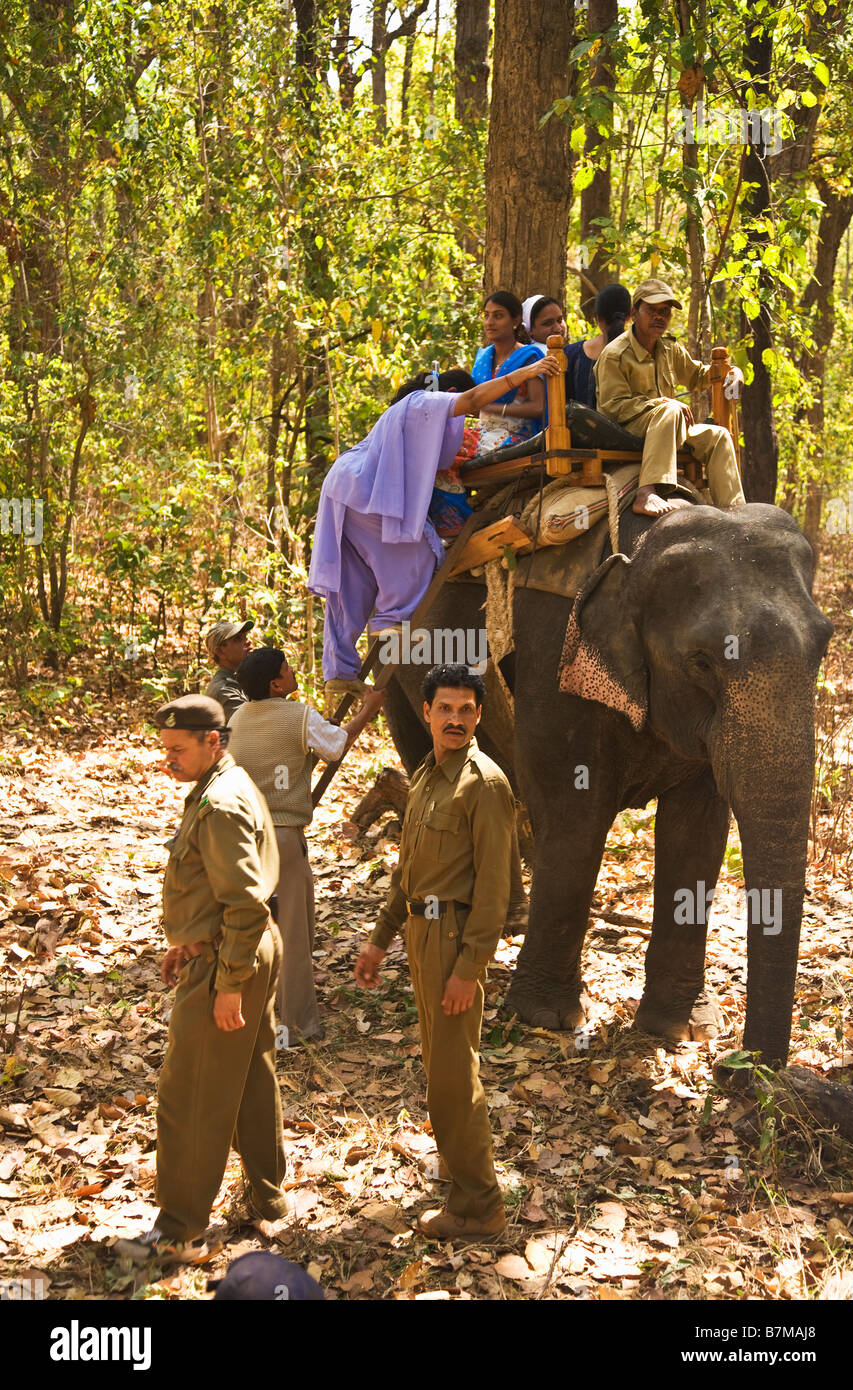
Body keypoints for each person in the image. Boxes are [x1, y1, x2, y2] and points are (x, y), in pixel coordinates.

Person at [115, 695, 287, 1263]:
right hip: (226, 950)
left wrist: (228, 983)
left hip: (230, 958)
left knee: (190, 1091)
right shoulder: (229, 783)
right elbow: (223, 890)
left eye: (177, 750)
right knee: (249, 1072)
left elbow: (244, 904)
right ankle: (268, 1196)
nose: (168, 761)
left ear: (213, 741)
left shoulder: (220, 803)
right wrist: (187, 940)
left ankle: (180, 1229)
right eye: (165, 749)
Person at [353, 663, 515, 1242]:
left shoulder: (485, 786)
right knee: (440, 1067)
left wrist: (469, 970)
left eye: (466, 710)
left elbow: (497, 891)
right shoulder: (426, 775)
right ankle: (456, 1169)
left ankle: (479, 1206)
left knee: (453, 1076)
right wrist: (378, 939)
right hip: (422, 937)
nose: (454, 718)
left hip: (454, 941)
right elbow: (407, 873)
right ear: (426, 713)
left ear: (479, 716)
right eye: (444, 708)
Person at [308, 357, 559, 703]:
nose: (465, 416)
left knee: (353, 582)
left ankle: (340, 672)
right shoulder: (425, 402)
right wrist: (524, 374)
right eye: (462, 405)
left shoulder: (406, 413)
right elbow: (470, 401)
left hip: (344, 489)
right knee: (423, 549)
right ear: (452, 392)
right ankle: (391, 619)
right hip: (364, 491)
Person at [229, 647, 385, 1045]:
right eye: (287, 668)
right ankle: (296, 1027)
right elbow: (335, 746)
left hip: (243, 837)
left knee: (253, 929)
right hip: (282, 838)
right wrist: (369, 709)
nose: (293, 670)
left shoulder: (238, 718)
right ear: (276, 684)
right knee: (293, 934)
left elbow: (275, 762)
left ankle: (247, 1013)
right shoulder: (297, 714)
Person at [595, 278, 746, 517]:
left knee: (719, 436)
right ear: (634, 313)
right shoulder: (615, 354)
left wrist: (732, 372)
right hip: (627, 429)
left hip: (668, 426)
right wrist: (662, 403)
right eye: (652, 310)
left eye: (665, 312)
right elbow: (611, 408)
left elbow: (698, 376)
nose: (660, 317)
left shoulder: (669, 349)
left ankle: (735, 510)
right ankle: (646, 493)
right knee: (671, 410)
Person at [471, 291, 546, 453]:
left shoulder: (530, 357)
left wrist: (493, 408)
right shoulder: (482, 357)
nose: (489, 322)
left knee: (476, 452)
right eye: (486, 315)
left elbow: (538, 407)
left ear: (516, 321)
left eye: (498, 316)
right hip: (482, 431)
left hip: (517, 436)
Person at [565, 283, 631, 408]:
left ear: (598, 318)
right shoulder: (640, 356)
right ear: (629, 317)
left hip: (578, 427)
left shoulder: (570, 354)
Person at [205, 619, 254, 719]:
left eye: (246, 637)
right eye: (238, 639)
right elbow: (253, 724)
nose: (248, 641)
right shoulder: (223, 690)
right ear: (220, 652)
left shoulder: (239, 679)